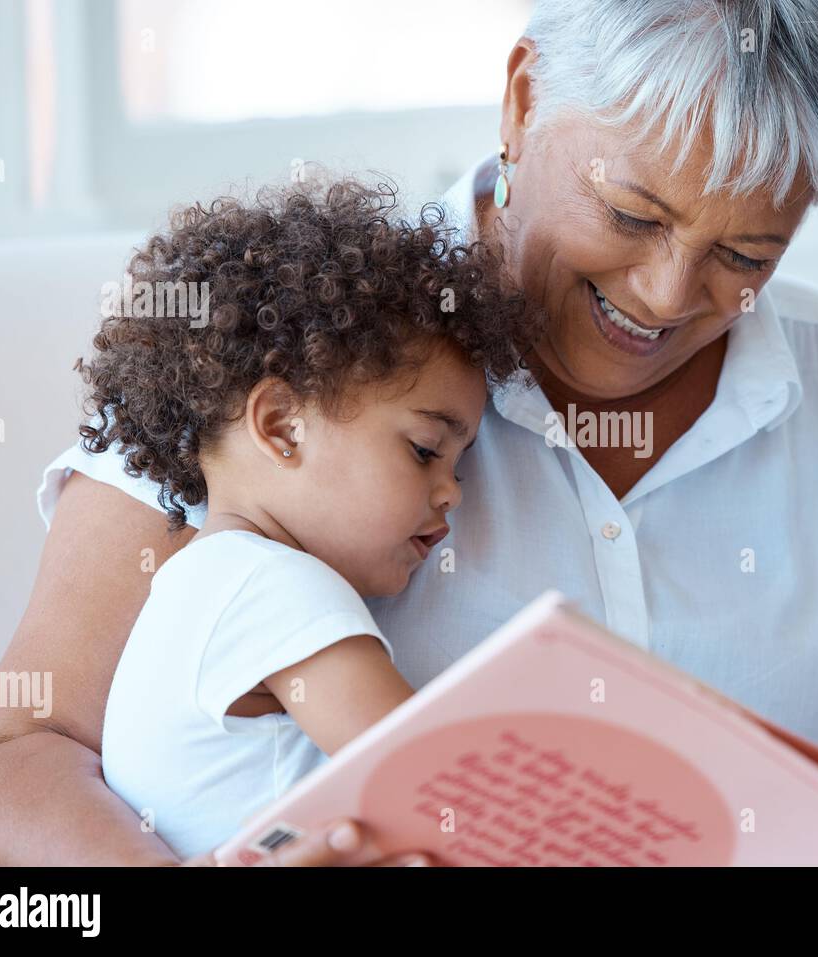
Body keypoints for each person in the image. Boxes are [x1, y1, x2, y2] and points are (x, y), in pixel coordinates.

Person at [0, 0, 818, 866]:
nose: (666, 296)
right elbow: (8, 771)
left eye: (745, 255)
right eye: (631, 213)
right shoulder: (293, 354)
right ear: (522, 100)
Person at [81, 178, 541, 859]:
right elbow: (435, 785)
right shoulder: (275, 588)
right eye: (424, 451)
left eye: (461, 463)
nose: (453, 494)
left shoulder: (197, 584)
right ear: (281, 424)